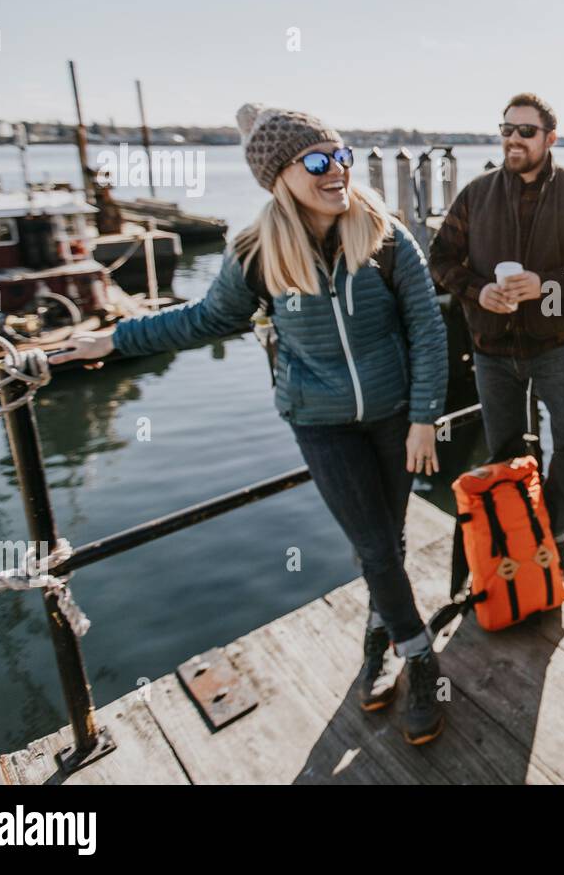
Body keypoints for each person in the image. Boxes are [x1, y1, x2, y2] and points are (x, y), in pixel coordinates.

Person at [55, 104, 451, 746]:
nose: (337, 171)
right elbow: (203, 321)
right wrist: (114, 341)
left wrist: (424, 416)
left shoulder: (382, 232)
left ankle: (378, 635)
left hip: (392, 417)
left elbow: (428, 329)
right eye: (318, 162)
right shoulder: (258, 250)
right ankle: (419, 654)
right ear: (278, 177)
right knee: (376, 546)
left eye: (341, 156)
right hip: (321, 424)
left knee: (389, 540)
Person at [429, 92, 564, 590]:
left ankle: (555, 531)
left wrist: (546, 284)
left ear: (549, 138)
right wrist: (478, 290)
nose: (514, 138)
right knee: (505, 449)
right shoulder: (476, 193)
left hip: (554, 346)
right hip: (490, 352)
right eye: (506, 129)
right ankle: (513, 538)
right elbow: (440, 258)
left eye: (525, 131)